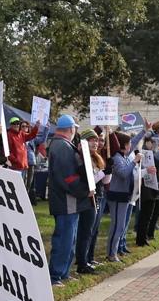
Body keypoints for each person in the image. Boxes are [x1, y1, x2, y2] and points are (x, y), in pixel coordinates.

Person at [46, 115, 91, 285]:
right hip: (67, 200)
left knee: (69, 238)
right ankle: (55, 275)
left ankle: (63, 272)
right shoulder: (62, 146)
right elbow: (68, 178)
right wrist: (85, 191)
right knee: (64, 239)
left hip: (68, 200)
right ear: (71, 129)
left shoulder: (60, 144)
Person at [99, 131, 139, 262]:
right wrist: (134, 161)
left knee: (120, 226)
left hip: (124, 195)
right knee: (117, 225)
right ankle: (111, 254)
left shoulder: (124, 155)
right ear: (124, 145)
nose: (131, 146)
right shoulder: (117, 158)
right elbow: (123, 173)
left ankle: (113, 251)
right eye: (129, 143)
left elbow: (135, 142)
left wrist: (145, 130)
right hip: (117, 196)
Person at [78, 129, 106, 272]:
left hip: (98, 195)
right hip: (88, 198)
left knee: (93, 230)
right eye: (92, 140)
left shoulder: (96, 157)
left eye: (97, 140)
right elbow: (90, 180)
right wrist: (102, 174)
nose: (96, 143)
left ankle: (88, 258)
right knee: (86, 231)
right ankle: (82, 263)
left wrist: (108, 172)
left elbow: (104, 180)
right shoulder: (82, 158)